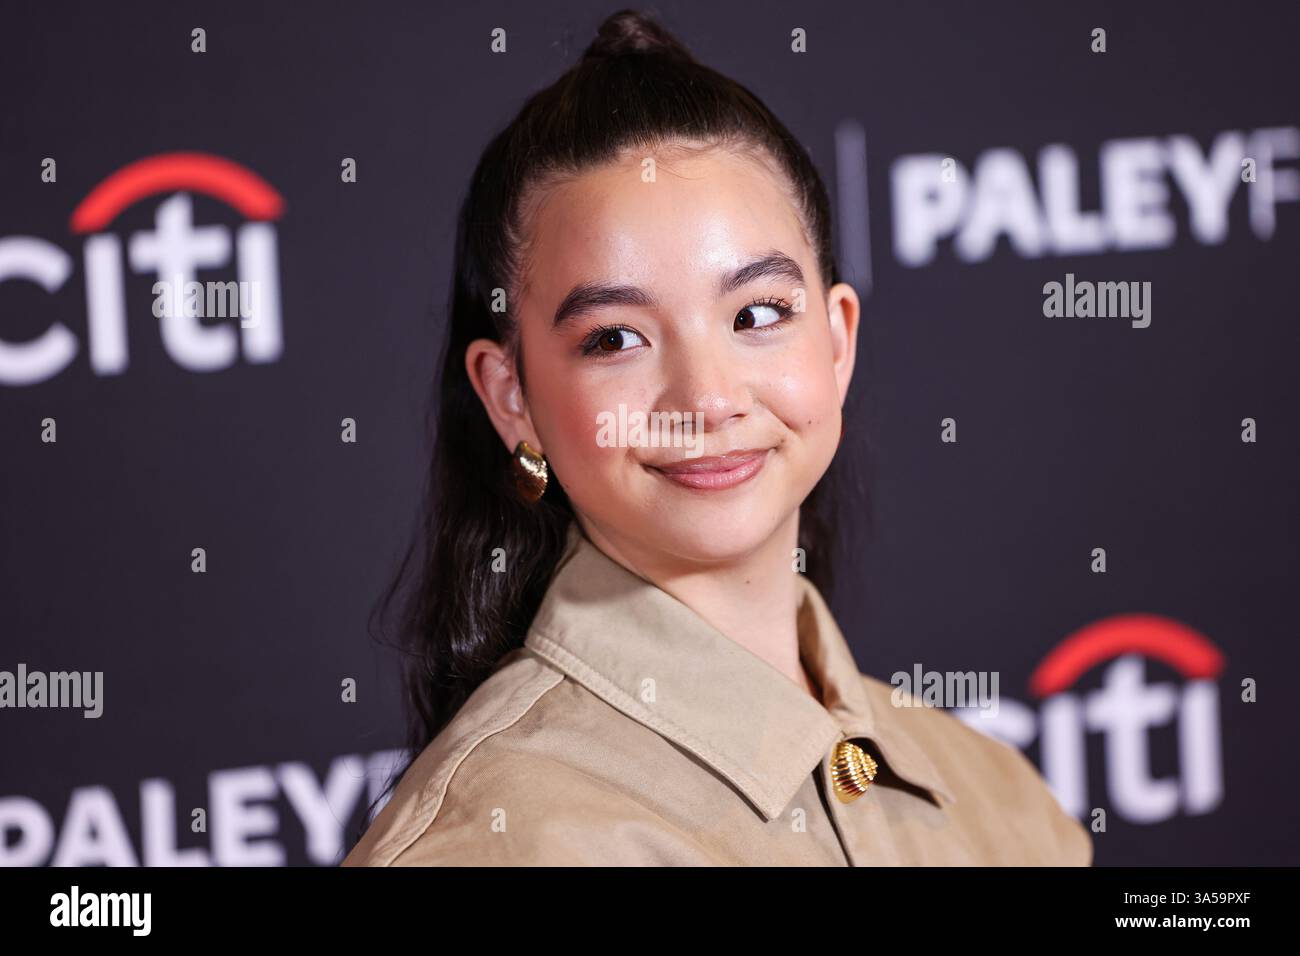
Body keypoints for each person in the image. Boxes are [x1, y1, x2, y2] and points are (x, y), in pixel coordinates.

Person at [342, 9, 1092, 866]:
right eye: (616, 337)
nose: (706, 399)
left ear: (839, 342)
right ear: (511, 396)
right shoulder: (492, 843)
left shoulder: (998, 801)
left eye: (758, 314)